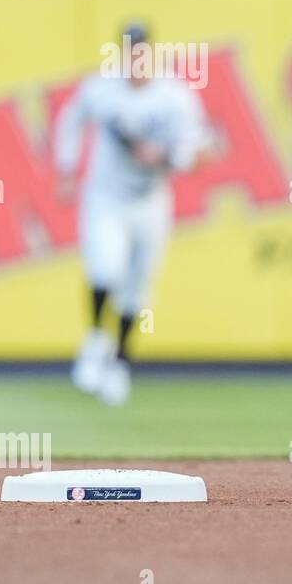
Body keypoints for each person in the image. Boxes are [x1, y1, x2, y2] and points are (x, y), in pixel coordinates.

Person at [54, 23, 211, 405]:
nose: (137, 60)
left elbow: (201, 150)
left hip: (151, 199)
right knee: (105, 269)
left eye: (142, 51)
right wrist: (67, 167)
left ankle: (120, 363)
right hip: (105, 195)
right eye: (130, 51)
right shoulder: (102, 89)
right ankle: (95, 339)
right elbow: (70, 121)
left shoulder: (173, 96)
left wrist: (167, 155)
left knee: (137, 290)